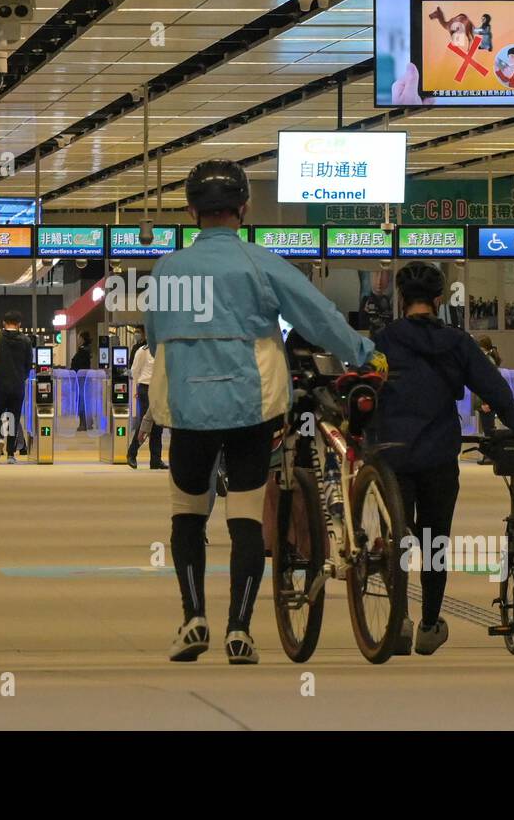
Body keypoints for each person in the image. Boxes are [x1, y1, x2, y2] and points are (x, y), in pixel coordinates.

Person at [147, 159, 383, 665]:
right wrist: (365, 353)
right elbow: (318, 318)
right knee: (247, 519)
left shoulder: (166, 269)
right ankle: (240, 631)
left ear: (191, 212)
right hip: (250, 407)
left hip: (185, 407)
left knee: (187, 517)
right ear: (244, 209)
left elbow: (154, 335)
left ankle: (193, 618)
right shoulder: (261, 263)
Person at [370, 262, 514, 656]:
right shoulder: (457, 343)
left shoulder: (383, 341)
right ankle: (429, 624)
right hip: (439, 455)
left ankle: (399, 623)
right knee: (434, 540)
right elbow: (494, 389)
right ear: (439, 302)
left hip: (392, 457)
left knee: (397, 541)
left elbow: (363, 388)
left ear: (402, 300)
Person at [0, 311, 33, 462]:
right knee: (13, 417)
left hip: (0, 383)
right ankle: (11, 454)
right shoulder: (26, 340)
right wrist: (21, 378)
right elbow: (28, 364)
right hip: (18, 385)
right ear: (19, 324)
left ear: (4, 323)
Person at [127, 341, 166, 471]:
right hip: (146, 388)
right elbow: (135, 370)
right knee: (146, 422)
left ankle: (155, 459)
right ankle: (132, 453)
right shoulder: (143, 351)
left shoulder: (164, 350)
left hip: (160, 389)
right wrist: (137, 388)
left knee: (158, 424)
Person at [473, 335, 502, 442]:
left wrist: (486, 403)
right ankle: (489, 455)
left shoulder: (487, 361)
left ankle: (490, 455)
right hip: (485, 402)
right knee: (488, 430)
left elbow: (488, 383)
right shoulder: (487, 360)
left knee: (489, 431)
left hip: (486, 403)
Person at [70, 331, 93, 431]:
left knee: (81, 402)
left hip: (81, 380)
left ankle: (83, 423)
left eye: (79, 338)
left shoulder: (83, 352)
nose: (78, 340)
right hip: (83, 380)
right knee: (84, 401)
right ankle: (87, 422)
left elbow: (78, 365)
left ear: (83, 339)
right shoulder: (85, 350)